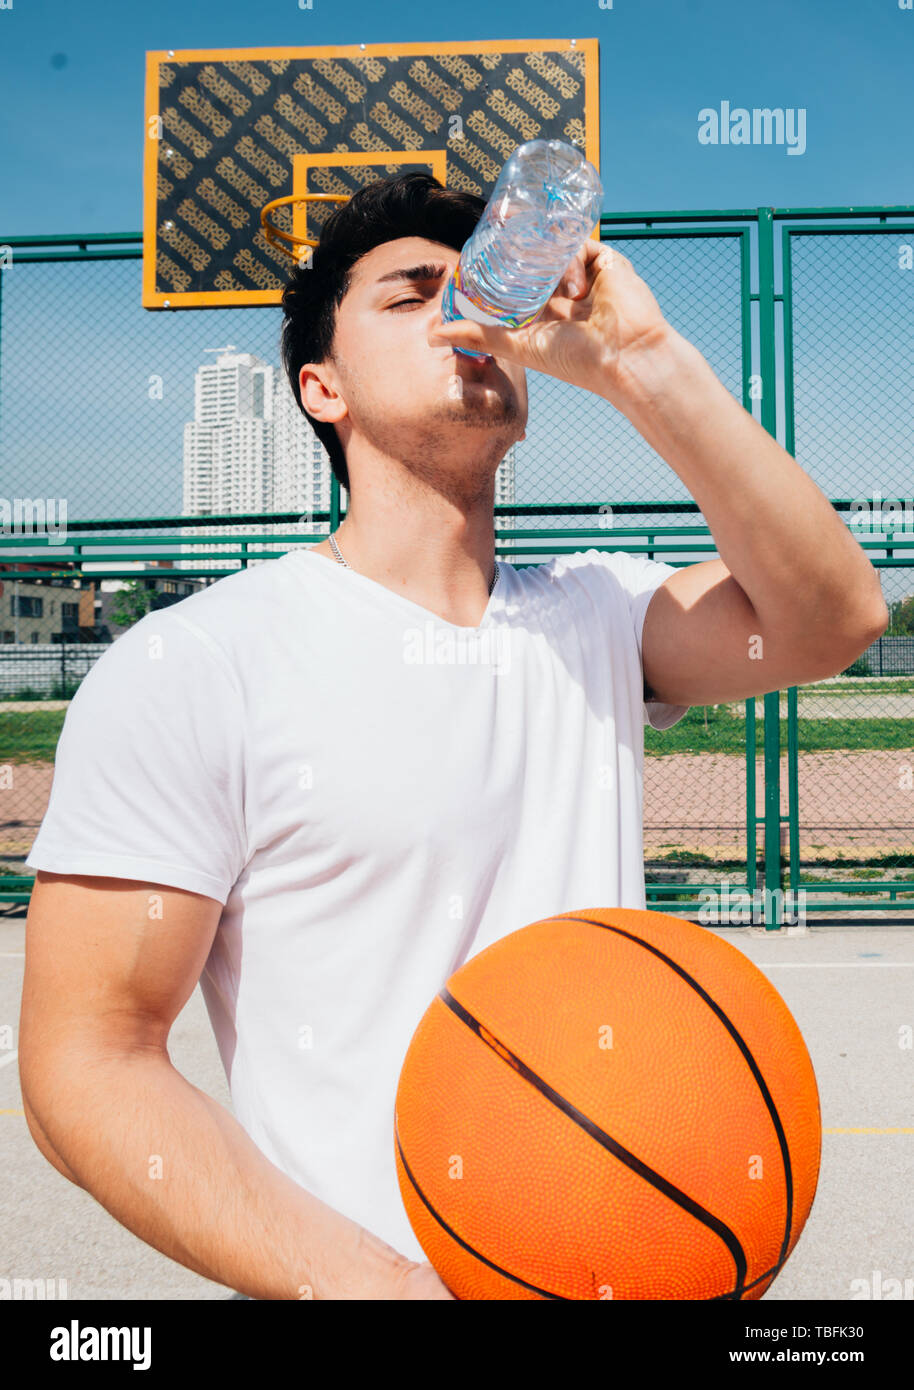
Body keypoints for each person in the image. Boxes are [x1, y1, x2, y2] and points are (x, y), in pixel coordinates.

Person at [19, 174, 886, 1302]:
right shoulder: (198, 664)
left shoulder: (598, 614)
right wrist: (383, 1290)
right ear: (321, 387)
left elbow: (834, 618)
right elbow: (86, 1061)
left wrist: (642, 358)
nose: (459, 312)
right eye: (409, 293)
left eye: (472, 288)